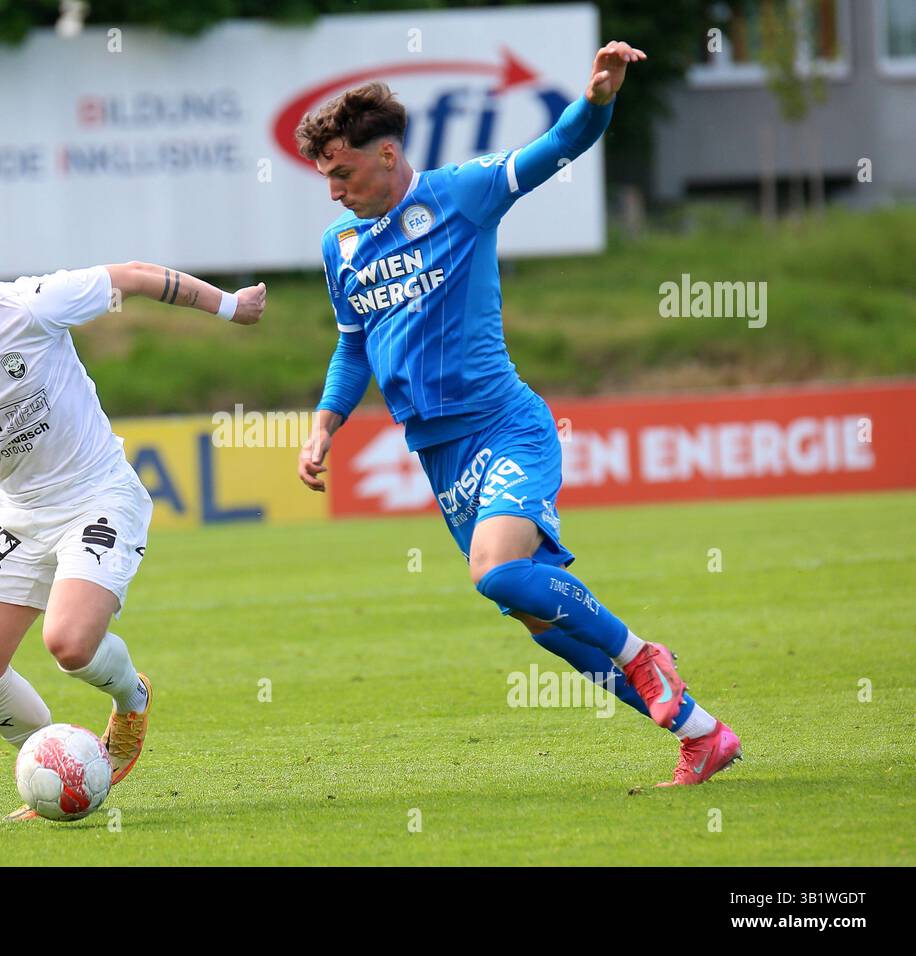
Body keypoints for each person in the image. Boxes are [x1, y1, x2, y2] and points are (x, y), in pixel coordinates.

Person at [295, 42, 742, 787]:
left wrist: (598, 97)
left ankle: (640, 653)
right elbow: (354, 347)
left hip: (505, 425)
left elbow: (560, 145)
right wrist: (325, 422)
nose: (334, 190)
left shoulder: (463, 193)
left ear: (387, 154)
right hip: (438, 457)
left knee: (499, 574)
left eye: (342, 172)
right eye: (325, 177)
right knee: (549, 627)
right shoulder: (339, 247)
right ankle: (701, 734)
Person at [0, 224, 265, 820]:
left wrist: (230, 306)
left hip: (97, 494)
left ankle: (131, 699)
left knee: (68, 643)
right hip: (17, 512)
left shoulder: (33, 305)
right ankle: (64, 765)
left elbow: (134, 276)